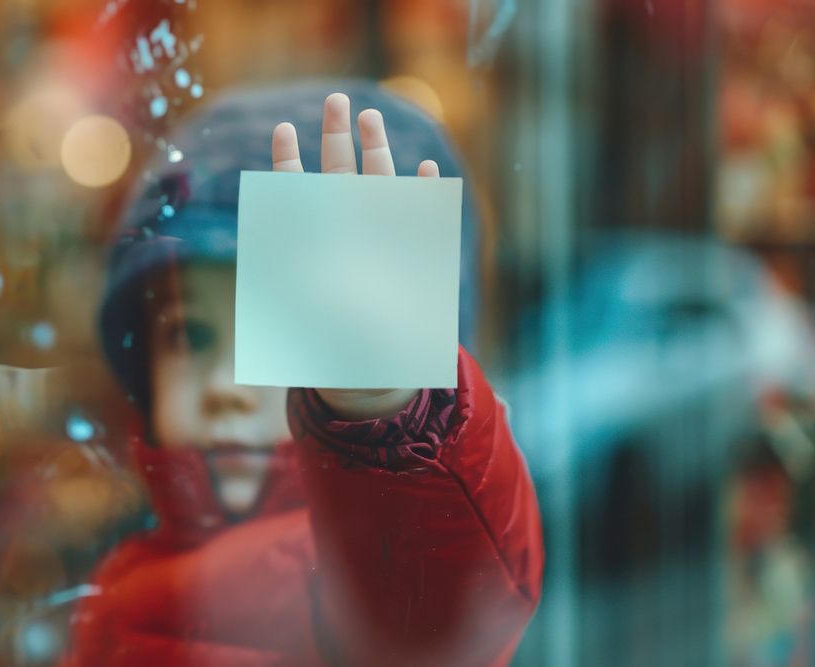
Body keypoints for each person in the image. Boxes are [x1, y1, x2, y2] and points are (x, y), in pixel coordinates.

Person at [63, 81, 543, 666]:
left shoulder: (366, 583)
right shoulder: (129, 574)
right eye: (189, 336)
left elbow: (437, 582)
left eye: (280, 339)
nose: (226, 389)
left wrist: (382, 410)